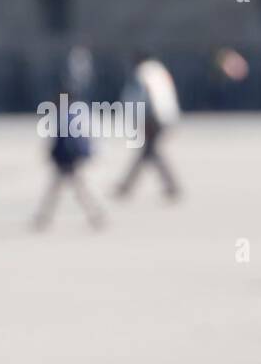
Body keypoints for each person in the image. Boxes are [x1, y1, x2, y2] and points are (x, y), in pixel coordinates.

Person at [33, 47, 104, 231]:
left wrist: (54, 153)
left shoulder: (66, 114)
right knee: (73, 187)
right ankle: (93, 215)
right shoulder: (76, 111)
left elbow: (63, 138)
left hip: (68, 156)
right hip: (72, 155)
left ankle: (45, 217)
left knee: (66, 188)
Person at [115, 51, 182, 200]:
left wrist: (139, 117)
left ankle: (127, 186)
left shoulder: (142, 73)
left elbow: (143, 97)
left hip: (152, 117)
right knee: (149, 151)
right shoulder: (159, 70)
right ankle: (127, 186)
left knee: (149, 151)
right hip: (167, 114)